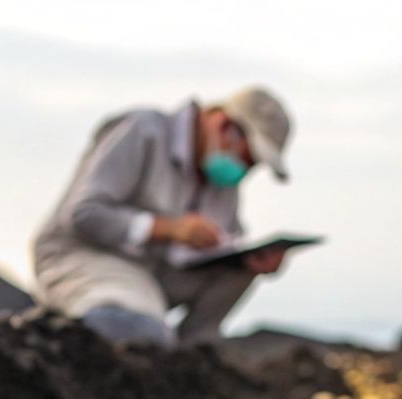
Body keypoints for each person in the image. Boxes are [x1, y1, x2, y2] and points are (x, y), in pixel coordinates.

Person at [29, 87, 294, 347]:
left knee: (239, 269)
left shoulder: (223, 184)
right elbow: (83, 214)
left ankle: (195, 357)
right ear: (224, 125)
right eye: (247, 158)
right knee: (135, 330)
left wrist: (250, 259)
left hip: (154, 272)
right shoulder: (143, 130)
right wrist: (168, 229)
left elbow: (227, 240)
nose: (245, 170)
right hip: (87, 255)